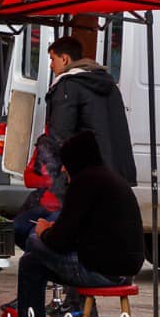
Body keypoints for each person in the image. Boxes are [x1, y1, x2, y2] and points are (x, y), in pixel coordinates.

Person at [11, 131, 144, 317]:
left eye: (66, 163)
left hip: (102, 272)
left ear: (76, 161)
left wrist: (44, 231)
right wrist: (56, 229)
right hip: (122, 270)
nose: (63, 169)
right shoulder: (109, 179)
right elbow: (85, 231)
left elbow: (59, 242)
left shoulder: (84, 182)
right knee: (31, 263)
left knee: (33, 240)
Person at [41, 36, 137, 199]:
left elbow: (60, 132)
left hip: (83, 173)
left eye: (52, 59)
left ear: (64, 59)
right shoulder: (108, 84)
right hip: (115, 173)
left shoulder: (67, 85)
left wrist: (58, 169)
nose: (51, 65)